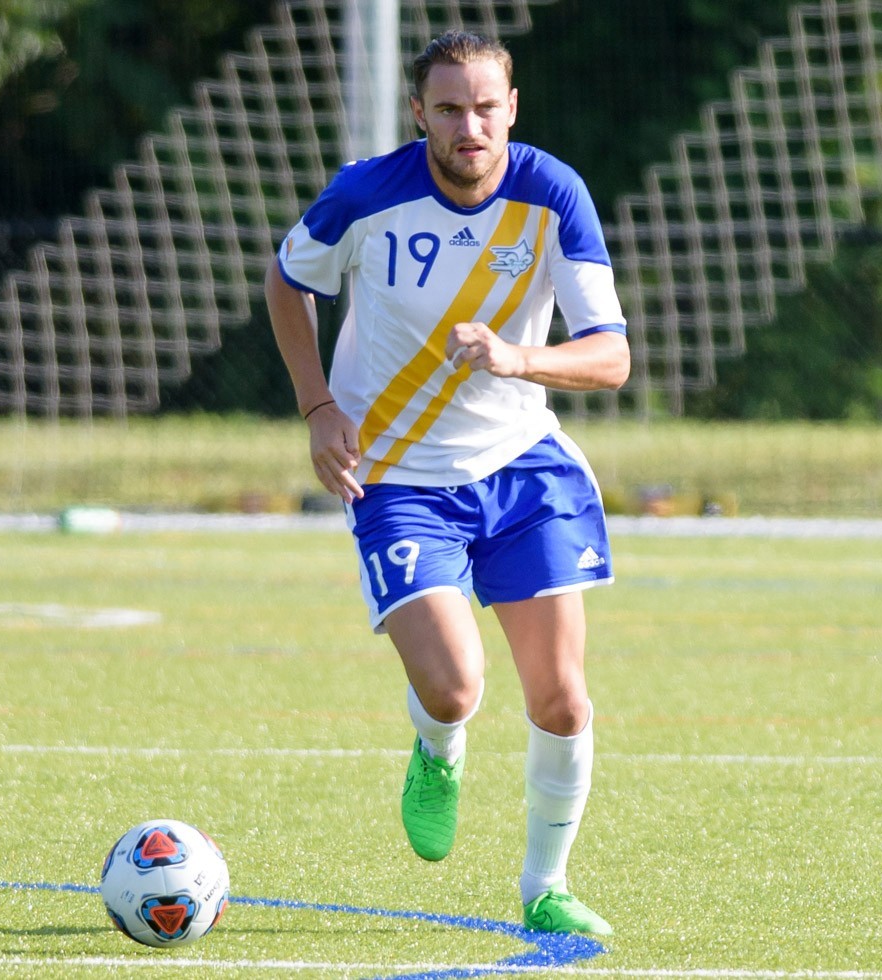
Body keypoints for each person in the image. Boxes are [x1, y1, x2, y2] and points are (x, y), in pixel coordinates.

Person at [266, 30, 629, 935]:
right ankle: (438, 748)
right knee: (455, 687)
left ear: (513, 110)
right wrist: (318, 409)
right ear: (419, 114)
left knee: (561, 696)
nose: (470, 126)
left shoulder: (552, 194)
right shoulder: (365, 195)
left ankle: (543, 886)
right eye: (450, 108)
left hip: (521, 469)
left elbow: (612, 356)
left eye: (486, 107)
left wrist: (516, 358)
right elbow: (286, 282)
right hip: (397, 478)